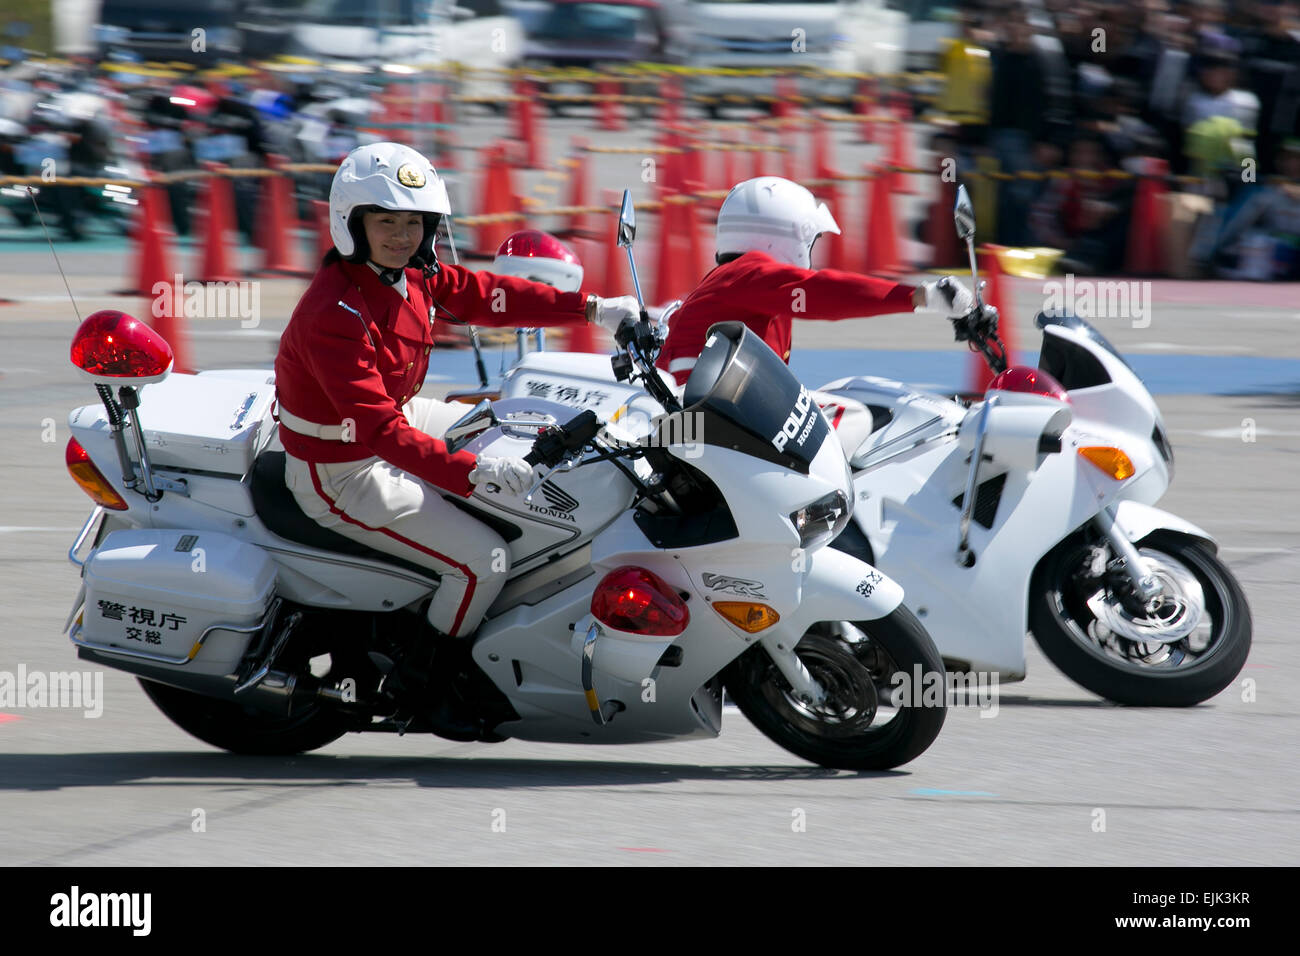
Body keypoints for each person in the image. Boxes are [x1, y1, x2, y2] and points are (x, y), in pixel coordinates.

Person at [274, 143, 638, 653]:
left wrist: (594, 309)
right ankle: (432, 670)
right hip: (343, 466)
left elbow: (482, 293)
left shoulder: (409, 274)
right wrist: (469, 472)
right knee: (482, 561)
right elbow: (377, 430)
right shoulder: (335, 314)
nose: (403, 238)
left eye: (414, 223)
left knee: (509, 434)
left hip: (395, 417)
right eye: (386, 223)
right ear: (352, 225)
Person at [656, 177, 975, 386]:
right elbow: (825, 293)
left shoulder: (740, 289)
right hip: (702, 431)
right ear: (780, 234)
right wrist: (921, 296)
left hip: (705, 427)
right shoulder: (745, 274)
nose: (811, 251)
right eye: (810, 240)